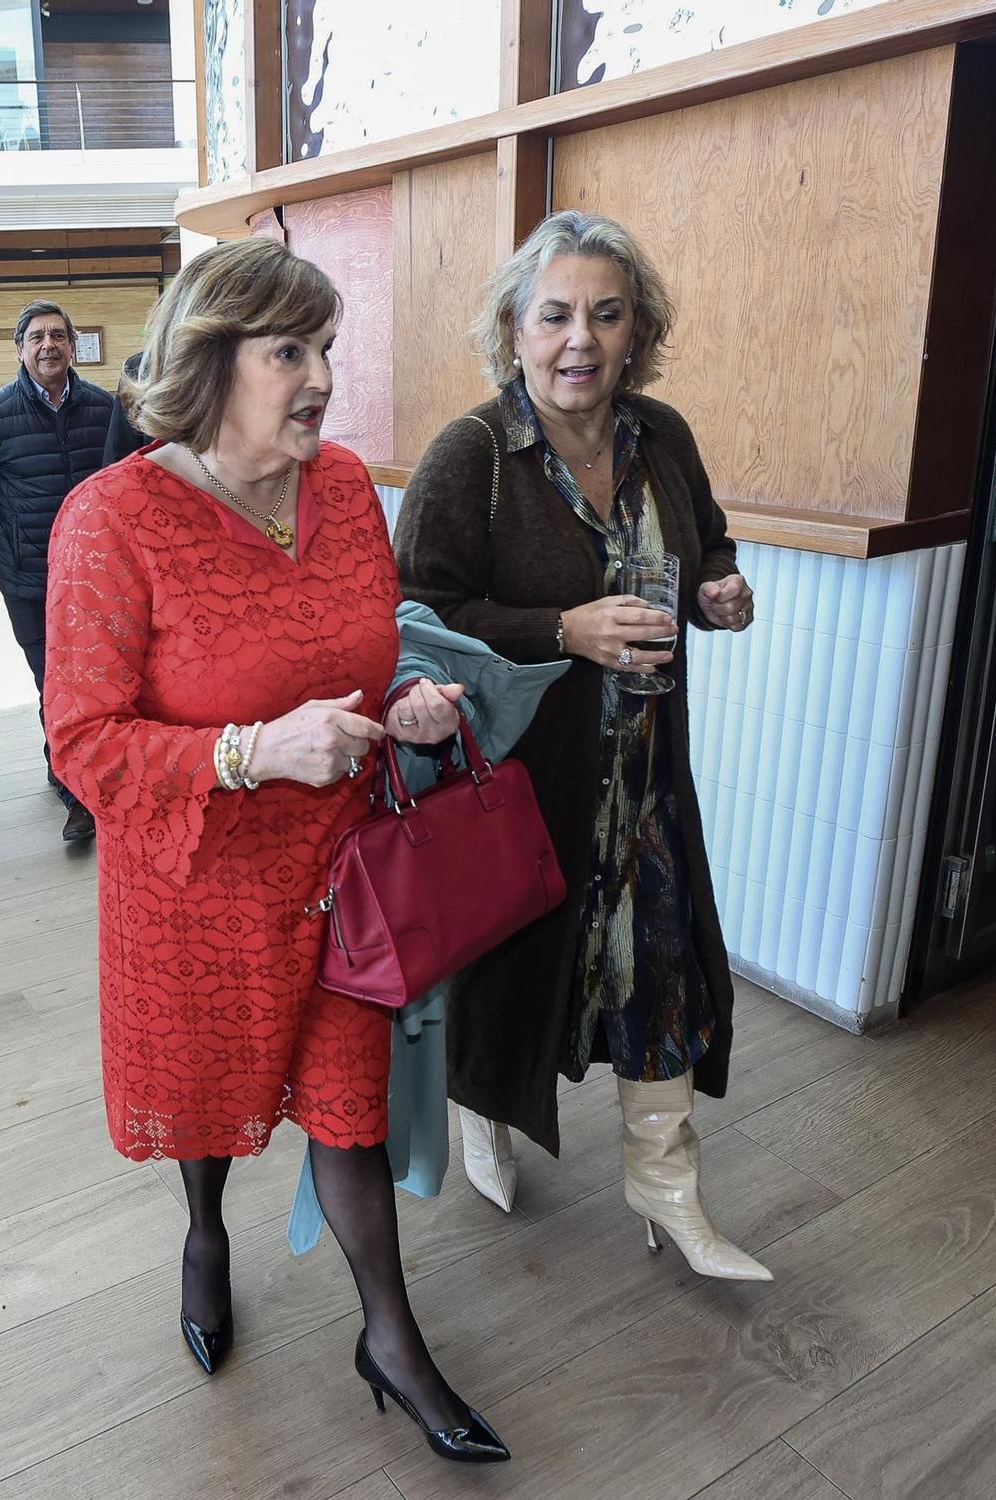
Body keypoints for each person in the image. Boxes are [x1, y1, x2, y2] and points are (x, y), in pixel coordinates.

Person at [46, 237, 508, 1466]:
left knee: (347, 1113)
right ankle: (204, 1234)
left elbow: (364, 650)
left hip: (340, 877)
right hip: (193, 894)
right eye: (289, 351)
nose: (319, 378)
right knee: (207, 1102)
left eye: (326, 350)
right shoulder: (114, 520)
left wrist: (405, 695)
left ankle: (390, 1339)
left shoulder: (349, 487)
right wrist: (247, 753)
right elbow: (82, 744)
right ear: (213, 360)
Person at [394, 209, 770, 1280]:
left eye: (605, 316)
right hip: (521, 787)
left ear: (634, 330)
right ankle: (482, 1113)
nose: (580, 340)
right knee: (513, 974)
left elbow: (705, 548)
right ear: (512, 328)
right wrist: (560, 630)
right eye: (554, 314)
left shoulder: (663, 436)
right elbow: (415, 616)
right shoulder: (471, 456)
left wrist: (716, 595)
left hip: (645, 779)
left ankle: (667, 1185)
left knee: (659, 970)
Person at [0, 299, 114, 844]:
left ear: (72, 345)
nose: (48, 345)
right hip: (30, 578)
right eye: (37, 337)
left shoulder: (103, 407)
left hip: (97, 577)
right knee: (53, 681)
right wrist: (14, 535)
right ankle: (75, 791)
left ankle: (78, 769)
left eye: (58, 336)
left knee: (97, 679)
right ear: (20, 349)